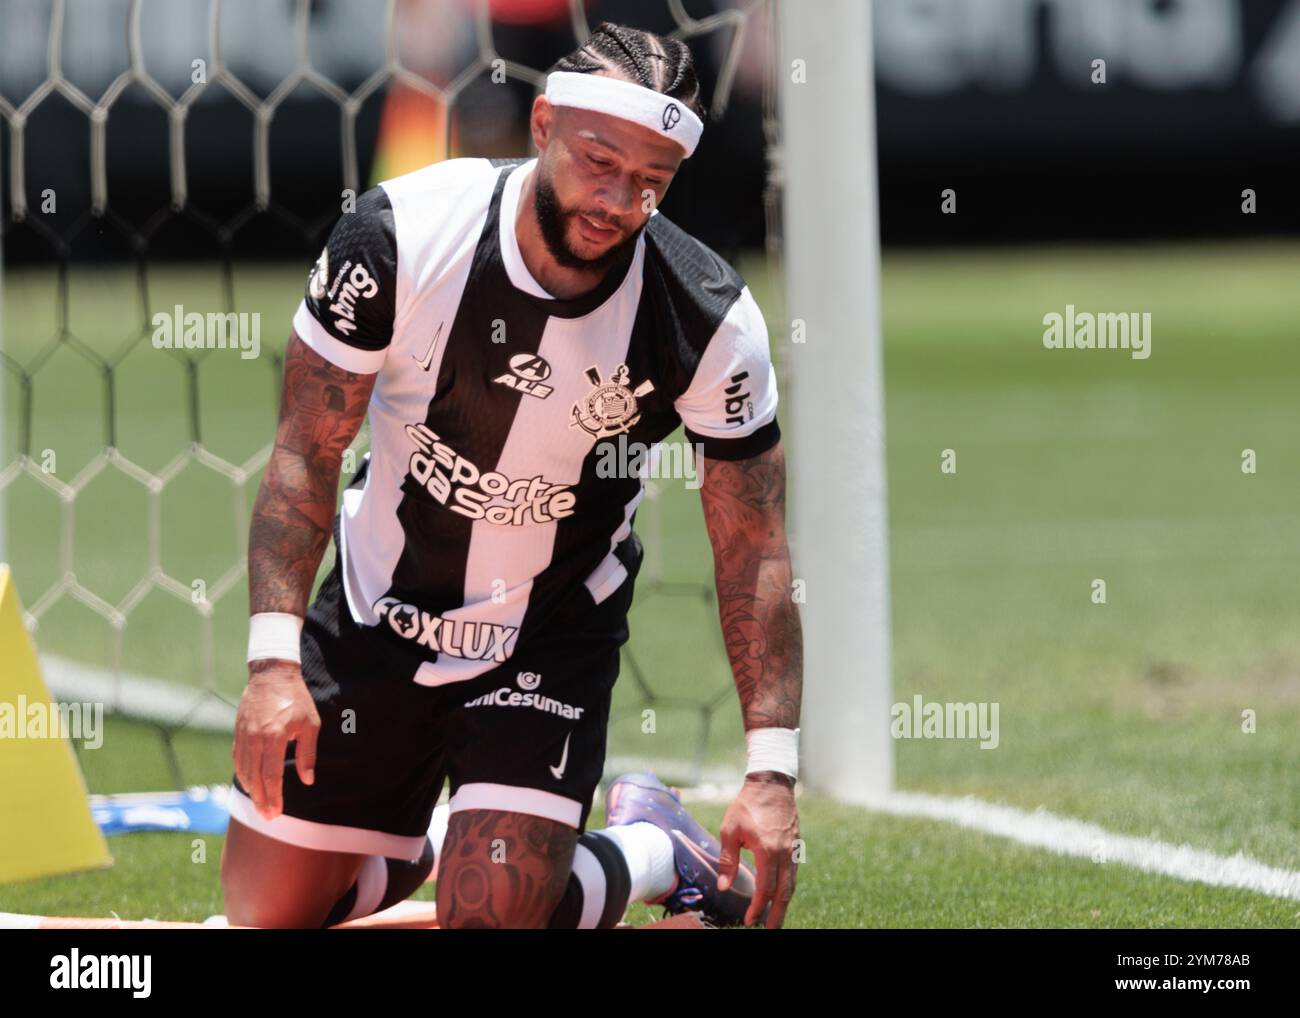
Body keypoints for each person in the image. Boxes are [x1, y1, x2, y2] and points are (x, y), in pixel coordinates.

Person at [220, 21, 802, 930]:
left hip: (544, 643)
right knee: (267, 918)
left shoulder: (709, 320)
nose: (617, 199)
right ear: (542, 126)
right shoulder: (398, 237)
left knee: (488, 920)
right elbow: (306, 453)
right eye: (598, 161)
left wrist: (770, 772)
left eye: (650, 181)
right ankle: (409, 840)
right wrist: (271, 665)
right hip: (377, 616)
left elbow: (755, 547)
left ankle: (651, 847)